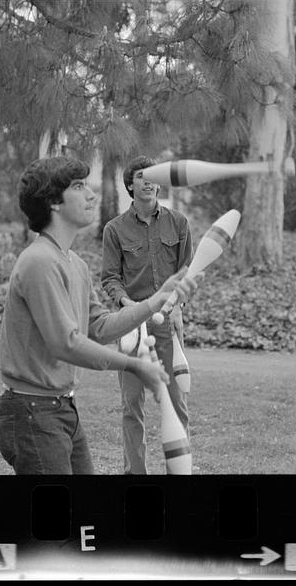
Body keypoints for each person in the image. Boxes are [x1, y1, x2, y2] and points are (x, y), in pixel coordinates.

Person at [0, 156, 199, 475]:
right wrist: (134, 364)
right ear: (53, 202)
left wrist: (155, 301)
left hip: (62, 407)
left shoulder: (74, 263)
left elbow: (99, 326)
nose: (92, 195)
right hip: (31, 413)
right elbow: (67, 344)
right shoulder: (39, 262)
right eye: (79, 187)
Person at [101, 156, 194, 474]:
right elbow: (110, 278)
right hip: (131, 325)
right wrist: (129, 306)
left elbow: (187, 273)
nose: (149, 180)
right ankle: (135, 474)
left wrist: (178, 307)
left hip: (169, 323)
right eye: (142, 176)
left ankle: (178, 473)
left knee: (176, 403)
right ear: (130, 185)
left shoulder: (179, 223)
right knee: (132, 406)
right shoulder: (114, 229)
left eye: (153, 176)